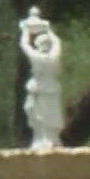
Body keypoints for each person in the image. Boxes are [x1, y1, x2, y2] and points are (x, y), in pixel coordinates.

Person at [19, 8, 64, 151]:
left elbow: (24, 45)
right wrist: (48, 29)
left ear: (38, 45)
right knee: (49, 112)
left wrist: (25, 30)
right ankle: (50, 138)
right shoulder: (53, 56)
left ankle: (43, 139)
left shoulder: (36, 57)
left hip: (39, 87)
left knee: (38, 113)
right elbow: (57, 42)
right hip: (51, 88)